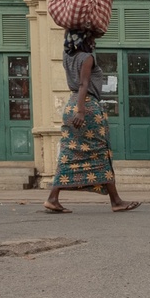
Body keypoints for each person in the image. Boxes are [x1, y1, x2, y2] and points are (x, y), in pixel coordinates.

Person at [43, 28, 141, 213]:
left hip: (71, 104)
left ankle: (52, 198)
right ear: (84, 41)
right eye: (91, 39)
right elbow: (83, 84)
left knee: (70, 152)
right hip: (86, 107)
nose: (94, 42)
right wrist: (81, 111)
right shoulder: (87, 58)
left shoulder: (67, 56)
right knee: (100, 151)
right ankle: (116, 201)